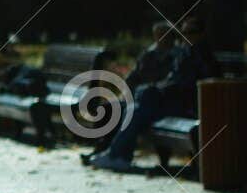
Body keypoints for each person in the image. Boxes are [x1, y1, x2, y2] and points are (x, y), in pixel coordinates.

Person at [90, 16, 220, 171]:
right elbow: (170, 79)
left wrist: (158, 89)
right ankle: (117, 155)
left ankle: (118, 156)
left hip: (187, 106)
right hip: (172, 101)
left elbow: (187, 85)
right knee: (133, 107)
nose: (186, 36)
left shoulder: (201, 55)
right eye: (183, 32)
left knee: (137, 108)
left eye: (191, 32)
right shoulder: (186, 53)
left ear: (202, 34)